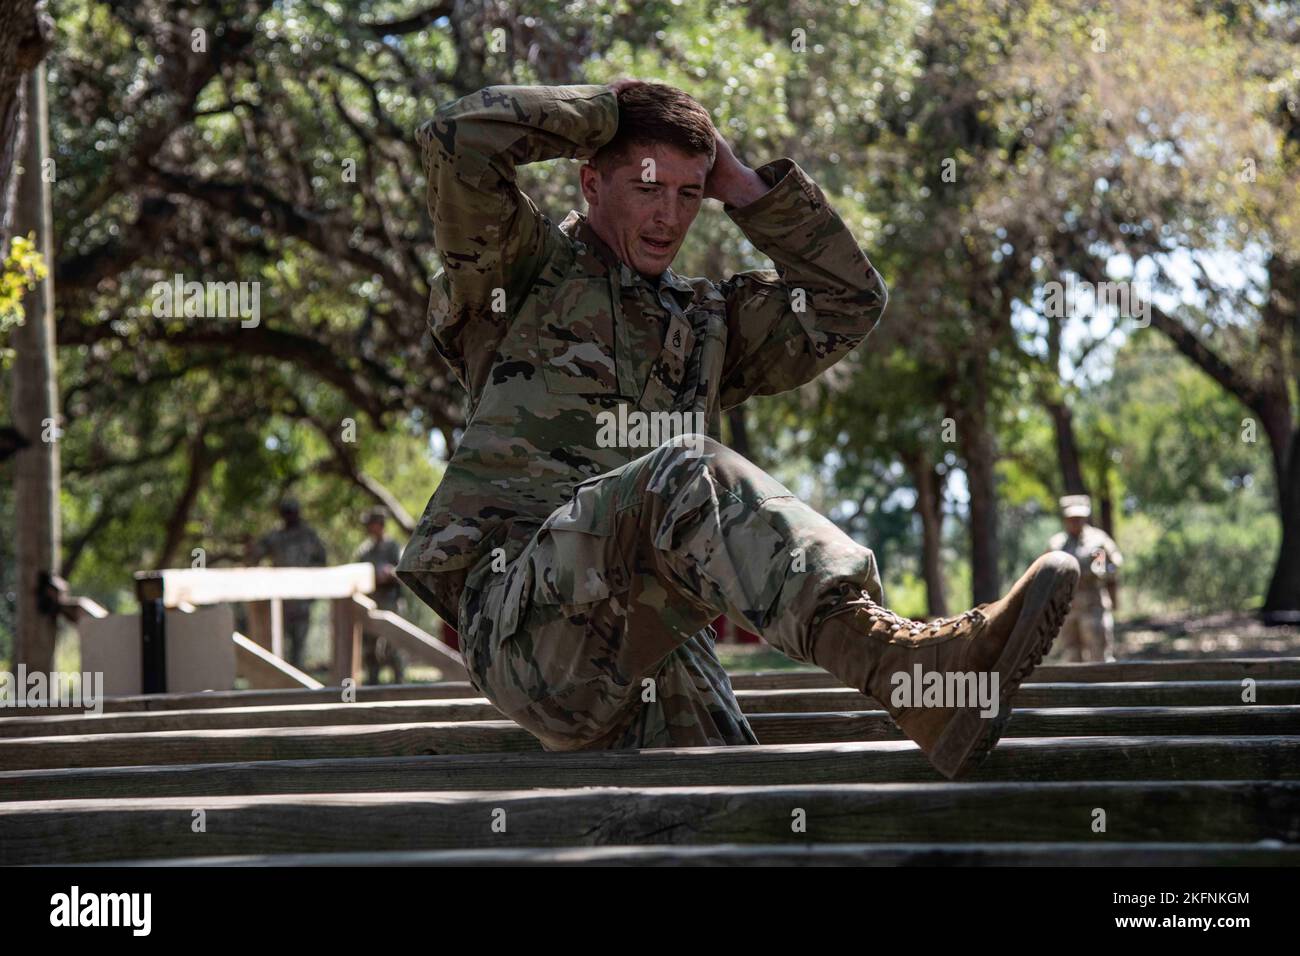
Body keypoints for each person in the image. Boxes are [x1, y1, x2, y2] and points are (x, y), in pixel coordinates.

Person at [396, 79, 1078, 780]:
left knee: (731, 803)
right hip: (524, 627)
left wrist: (748, 188)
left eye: (689, 195)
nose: (668, 216)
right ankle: (898, 663)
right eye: (648, 187)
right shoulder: (517, 266)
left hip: (644, 641)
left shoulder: (704, 324)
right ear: (591, 182)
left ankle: (934, 703)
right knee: (683, 470)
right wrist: (609, 111)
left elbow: (847, 304)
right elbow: (457, 140)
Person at [246, 497, 328, 669]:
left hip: (302, 600)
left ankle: (298, 687)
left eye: (292, 512)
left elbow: (321, 561)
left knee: (299, 647)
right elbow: (254, 556)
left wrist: (312, 584)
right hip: (280, 601)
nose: (290, 516)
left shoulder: (309, 535)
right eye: (287, 513)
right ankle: (279, 683)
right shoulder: (276, 536)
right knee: (277, 646)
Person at [1048, 495, 1123, 662]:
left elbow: (1115, 565)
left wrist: (1100, 572)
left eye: (1078, 518)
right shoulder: (1056, 543)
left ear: (1085, 517)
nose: (1075, 522)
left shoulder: (1098, 540)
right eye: (1071, 518)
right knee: (1071, 656)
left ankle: (1103, 688)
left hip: (1093, 607)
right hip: (1066, 610)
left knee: (1099, 656)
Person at [355, 506, 406, 684]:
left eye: (371, 523)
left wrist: (388, 573)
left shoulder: (393, 547)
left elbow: (403, 572)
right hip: (371, 603)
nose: (368, 527)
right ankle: (372, 685)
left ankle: (399, 686)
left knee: (393, 647)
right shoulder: (365, 550)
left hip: (390, 602)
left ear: (380, 524)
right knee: (370, 649)